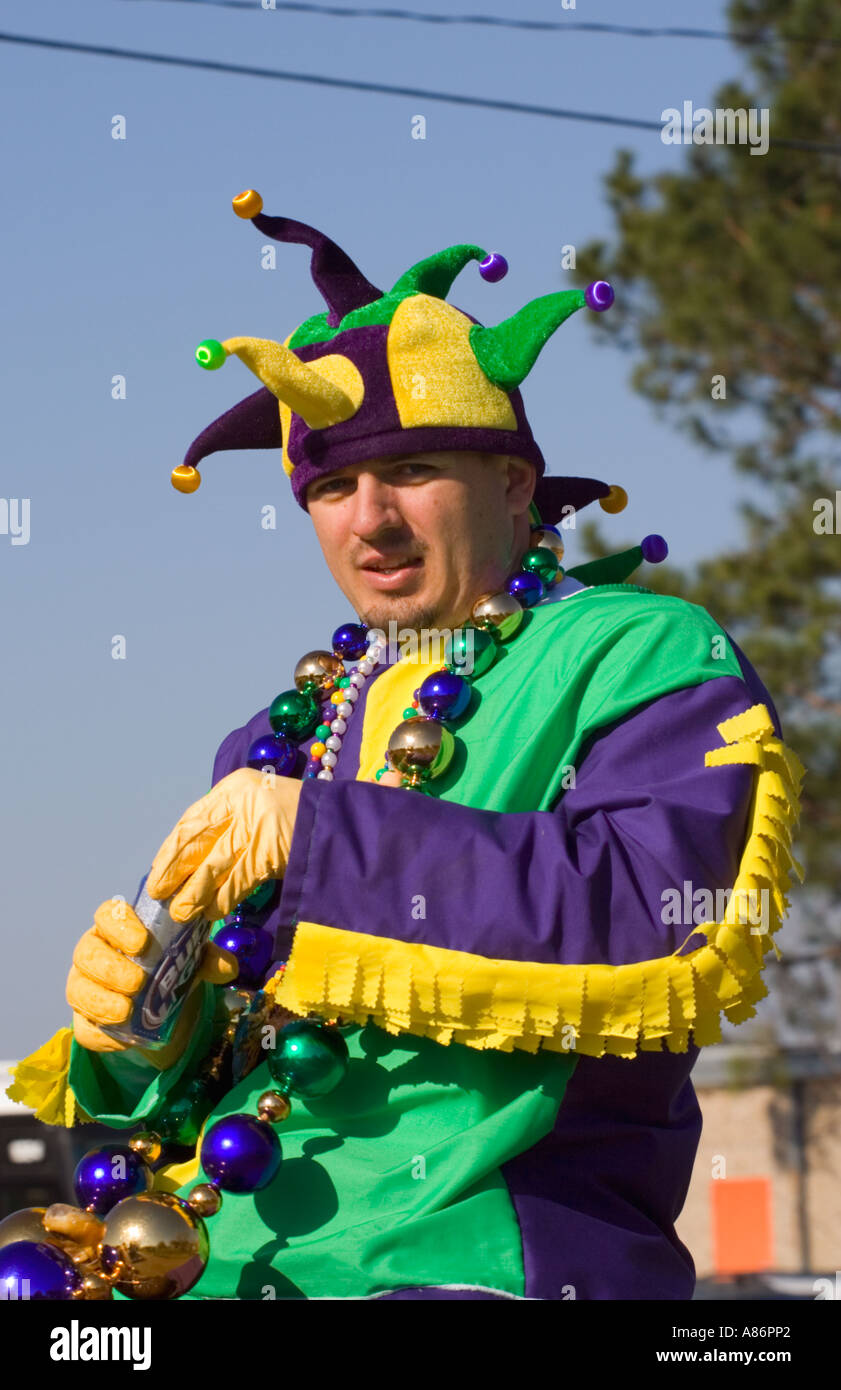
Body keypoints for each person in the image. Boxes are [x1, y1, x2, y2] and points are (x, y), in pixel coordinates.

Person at [8, 191, 804, 1301]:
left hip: (479, 1261)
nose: (369, 519)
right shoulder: (282, 730)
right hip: (217, 1260)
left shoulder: (642, 648)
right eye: (331, 485)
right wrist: (142, 1028)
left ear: (515, 484)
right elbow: (200, 1076)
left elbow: (655, 919)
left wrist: (323, 840)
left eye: (414, 470)